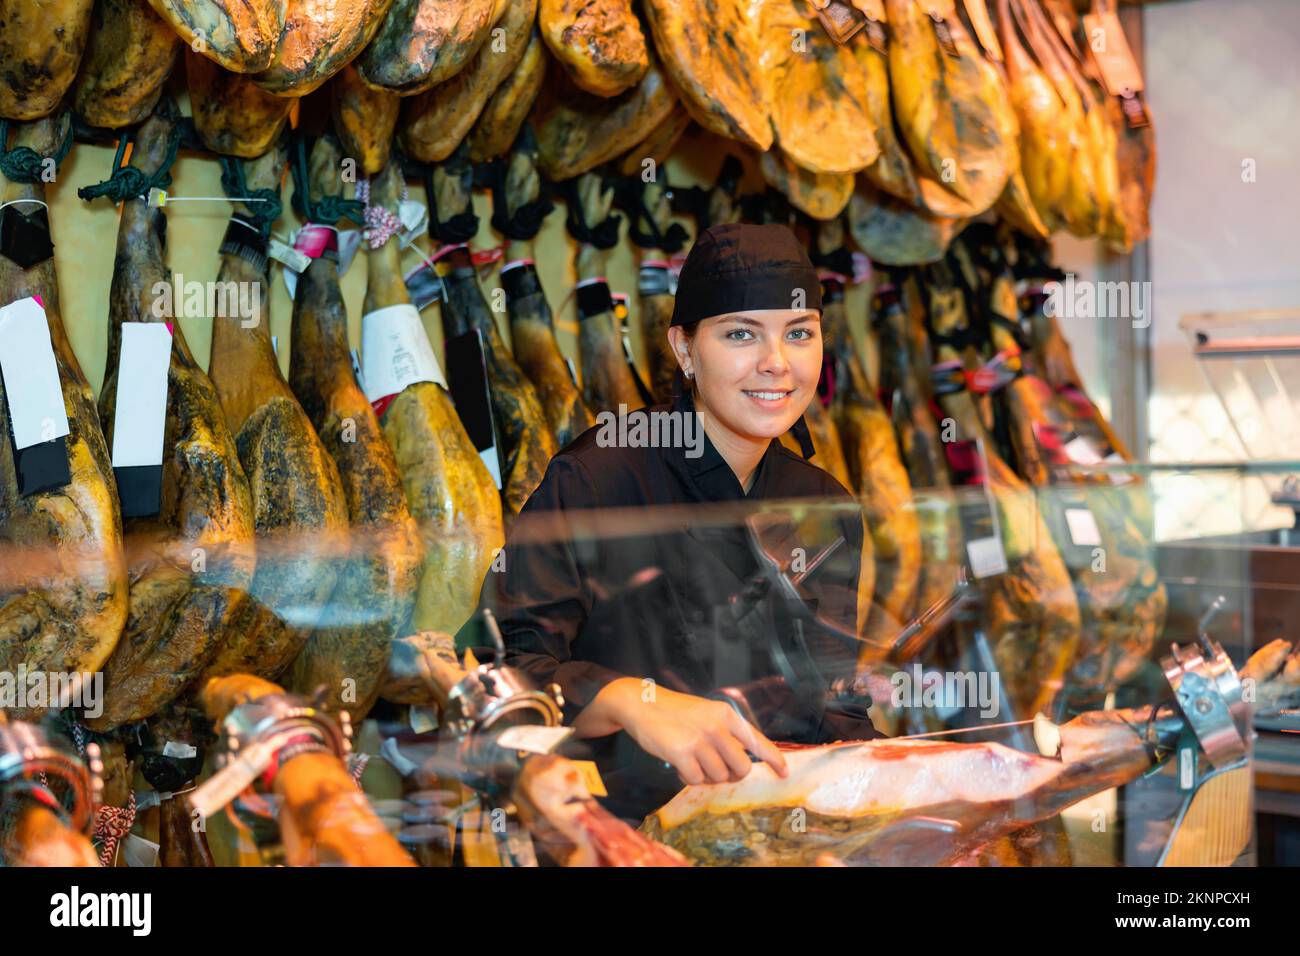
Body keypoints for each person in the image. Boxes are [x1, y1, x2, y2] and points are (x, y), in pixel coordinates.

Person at [467, 223, 882, 821]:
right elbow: (501, 670)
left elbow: (834, 704)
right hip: (613, 834)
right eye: (741, 334)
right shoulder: (599, 478)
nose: (775, 363)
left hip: (772, 833)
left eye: (799, 334)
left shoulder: (823, 505)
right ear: (684, 349)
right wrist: (634, 702)